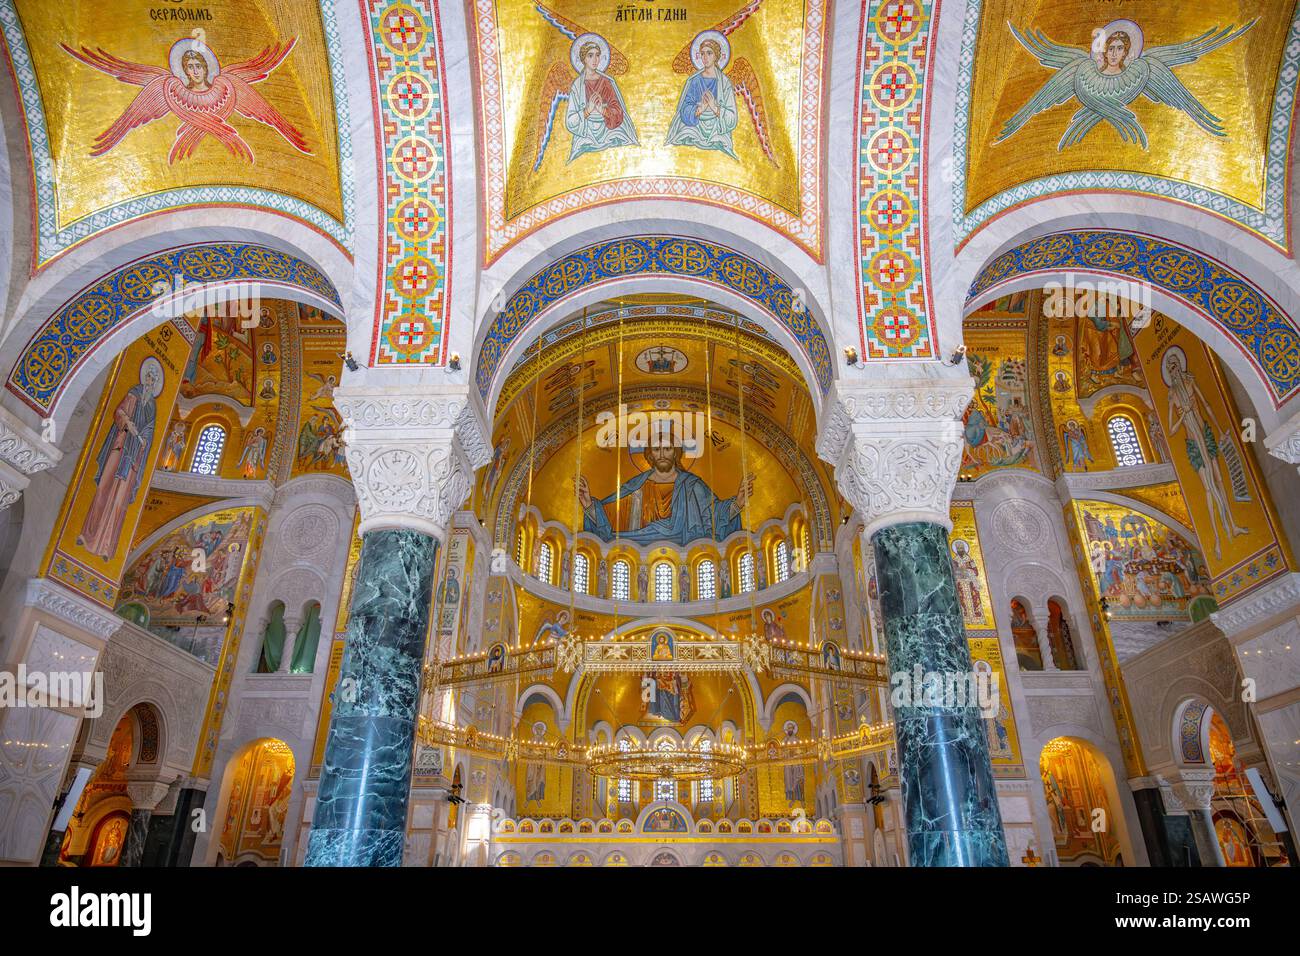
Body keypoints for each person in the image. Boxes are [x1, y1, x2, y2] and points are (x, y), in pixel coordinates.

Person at [79, 358, 162, 559]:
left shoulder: (152, 406)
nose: (150, 381)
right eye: (149, 376)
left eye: (154, 378)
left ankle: (107, 546)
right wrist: (128, 424)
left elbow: (150, 431)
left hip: (133, 457)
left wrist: (142, 440)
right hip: (120, 445)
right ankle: (87, 534)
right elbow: (119, 411)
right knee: (103, 489)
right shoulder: (134, 393)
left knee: (119, 501)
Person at [563, 37, 638, 162]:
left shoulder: (607, 82)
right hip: (586, 132)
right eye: (590, 55)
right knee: (579, 154)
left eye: (597, 55)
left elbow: (618, 111)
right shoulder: (577, 85)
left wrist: (602, 110)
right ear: (583, 59)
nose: (595, 59)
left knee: (623, 145)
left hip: (608, 129)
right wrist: (587, 110)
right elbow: (570, 121)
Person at [666, 36, 738, 158]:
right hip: (696, 126)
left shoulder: (724, 83)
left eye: (709, 53)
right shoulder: (694, 81)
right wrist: (699, 109)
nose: (705, 57)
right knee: (683, 138)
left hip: (717, 128)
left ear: (716, 56)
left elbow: (732, 118)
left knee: (722, 146)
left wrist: (715, 108)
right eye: (702, 54)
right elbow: (684, 109)